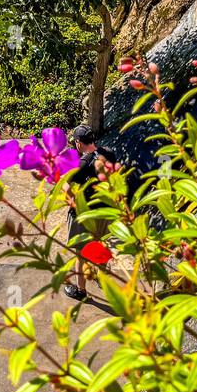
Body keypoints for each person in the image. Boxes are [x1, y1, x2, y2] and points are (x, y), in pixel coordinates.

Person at [63, 126, 116, 301]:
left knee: (81, 253)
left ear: (78, 143)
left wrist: (73, 203)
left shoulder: (83, 163)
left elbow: (65, 185)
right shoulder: (108, 152)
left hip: (86, 214)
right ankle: (102, 277)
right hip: (106, 211)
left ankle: (81, 290)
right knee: (101, 244)